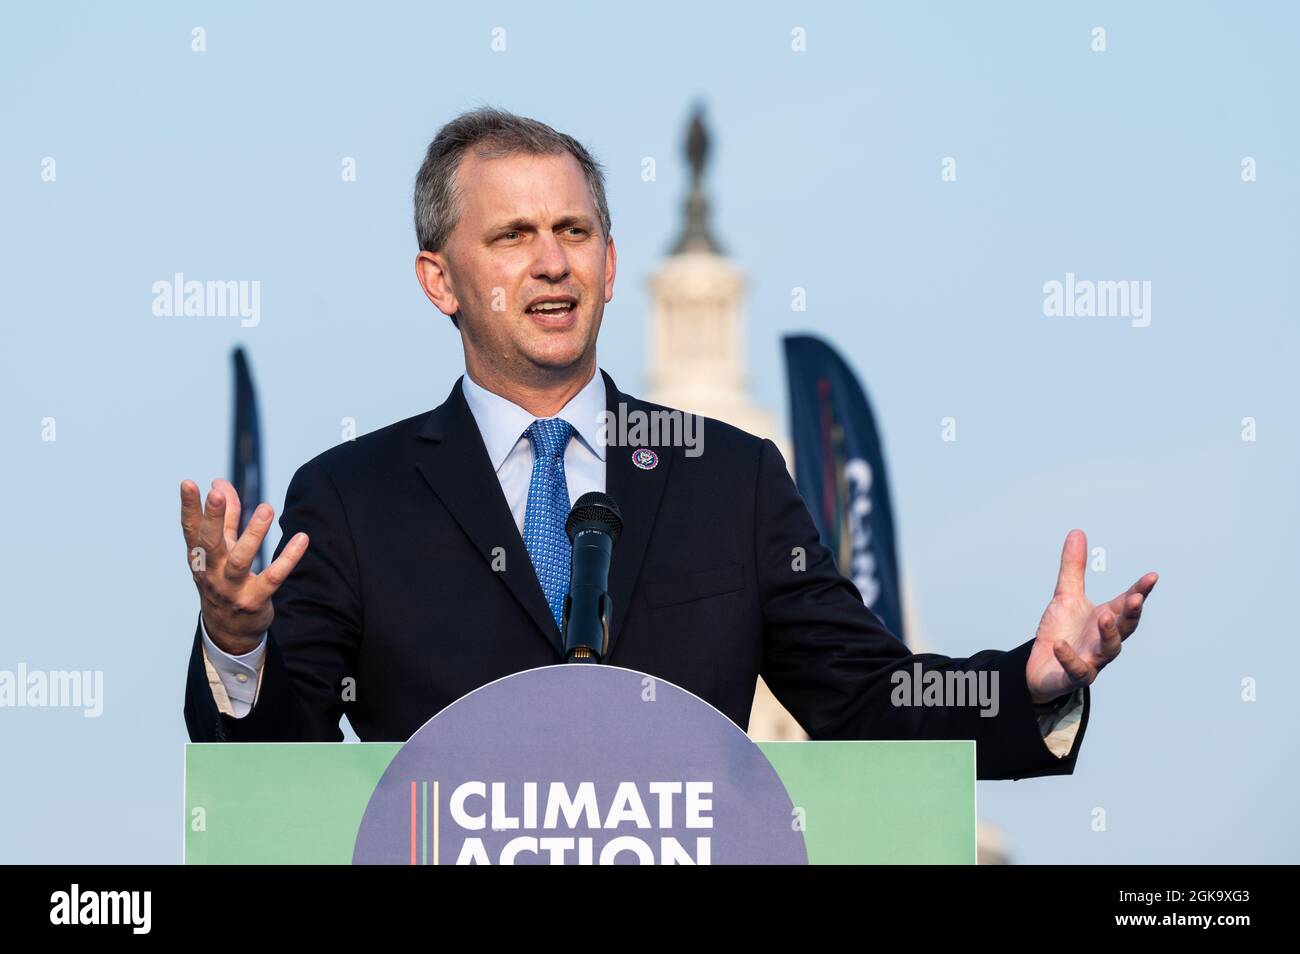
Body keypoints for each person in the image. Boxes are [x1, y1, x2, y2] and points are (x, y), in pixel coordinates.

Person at [180, 107, 1157, 779]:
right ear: (440, 280)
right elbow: (277, 765)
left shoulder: (727, 478)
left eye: (574, 230)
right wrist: (235, 645)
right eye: (514, 235)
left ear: (610, 265)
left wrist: (1031, 678)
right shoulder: (356, 497)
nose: (553, 261)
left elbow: (864, 698)